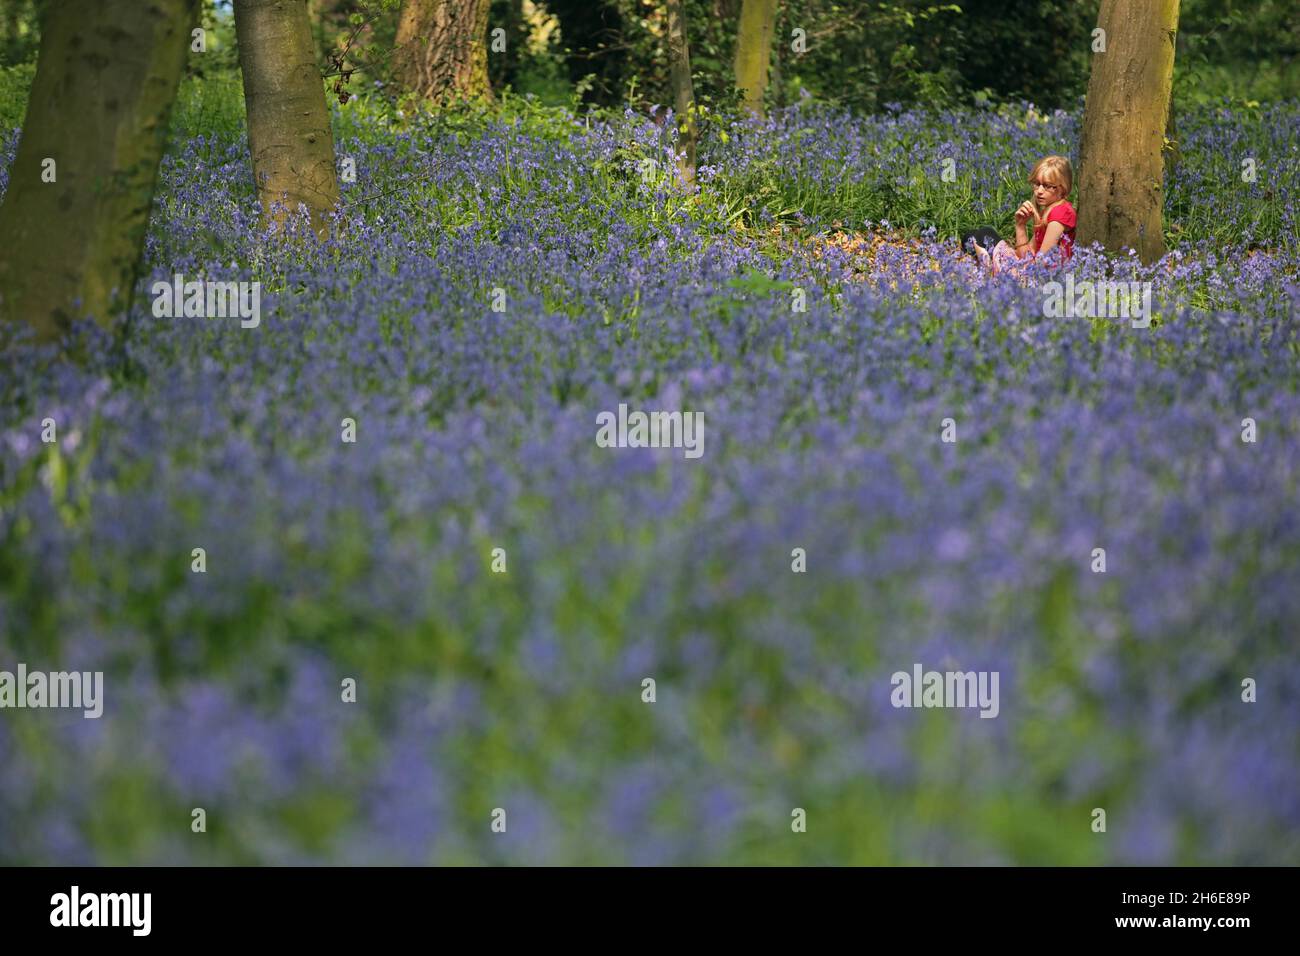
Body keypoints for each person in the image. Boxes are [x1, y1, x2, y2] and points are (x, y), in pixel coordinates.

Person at [962, 156, 1077, 274]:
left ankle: (989, 271)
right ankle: (989, 267)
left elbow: (1042, 262)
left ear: (1063, 188)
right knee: (971, 236)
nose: (1039, 191)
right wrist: (1020, 226)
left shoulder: (1061, 213)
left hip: (1035, 276)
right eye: (1037, 184)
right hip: (1029, 268)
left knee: (983, 234)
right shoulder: (1049, 211)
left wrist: (1018, 269)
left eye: (1047, 186)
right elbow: (1024, 256)